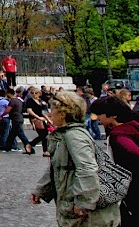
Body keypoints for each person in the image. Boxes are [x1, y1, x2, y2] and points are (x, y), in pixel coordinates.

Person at [31, 89, 121, 227]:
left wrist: (84, 202)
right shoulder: (64, 135)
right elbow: (56, 166)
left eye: (53, 109)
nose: (50, 114)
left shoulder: (74, 136)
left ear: (63, 113)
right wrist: (41, 190)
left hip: (82, 210)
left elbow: (87, 168)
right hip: (71, 200)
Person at [92, 96, 139, 227]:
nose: (98, 118)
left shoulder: (120, 138)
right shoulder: (137, 128)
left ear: (113, 116)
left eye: (100, 114)